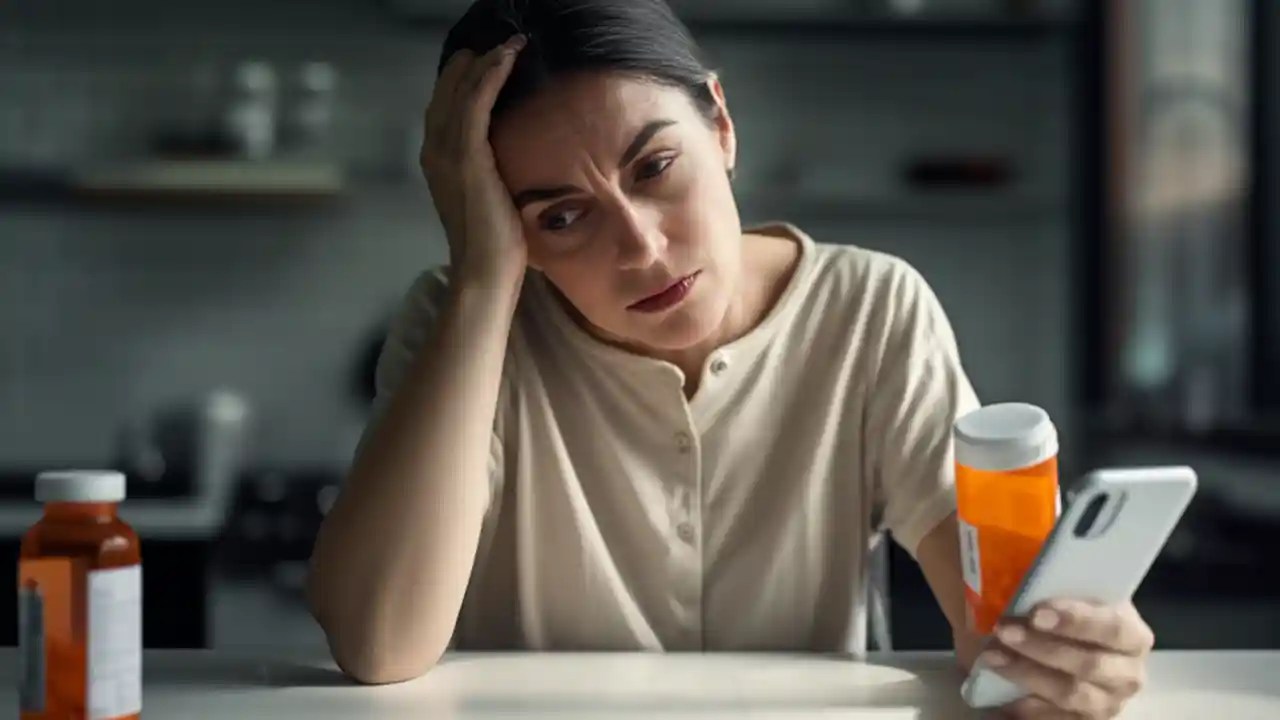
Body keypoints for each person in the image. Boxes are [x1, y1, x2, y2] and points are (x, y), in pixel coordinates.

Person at [305, 1, 1155, 717]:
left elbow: (998, 632)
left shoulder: (870, 307)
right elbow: (380, 648)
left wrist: (1067, 658)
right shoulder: (458, 318)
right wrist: (485, 284)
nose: (641, 246)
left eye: (656, 167)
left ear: (720, 123)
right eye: (559, 217)